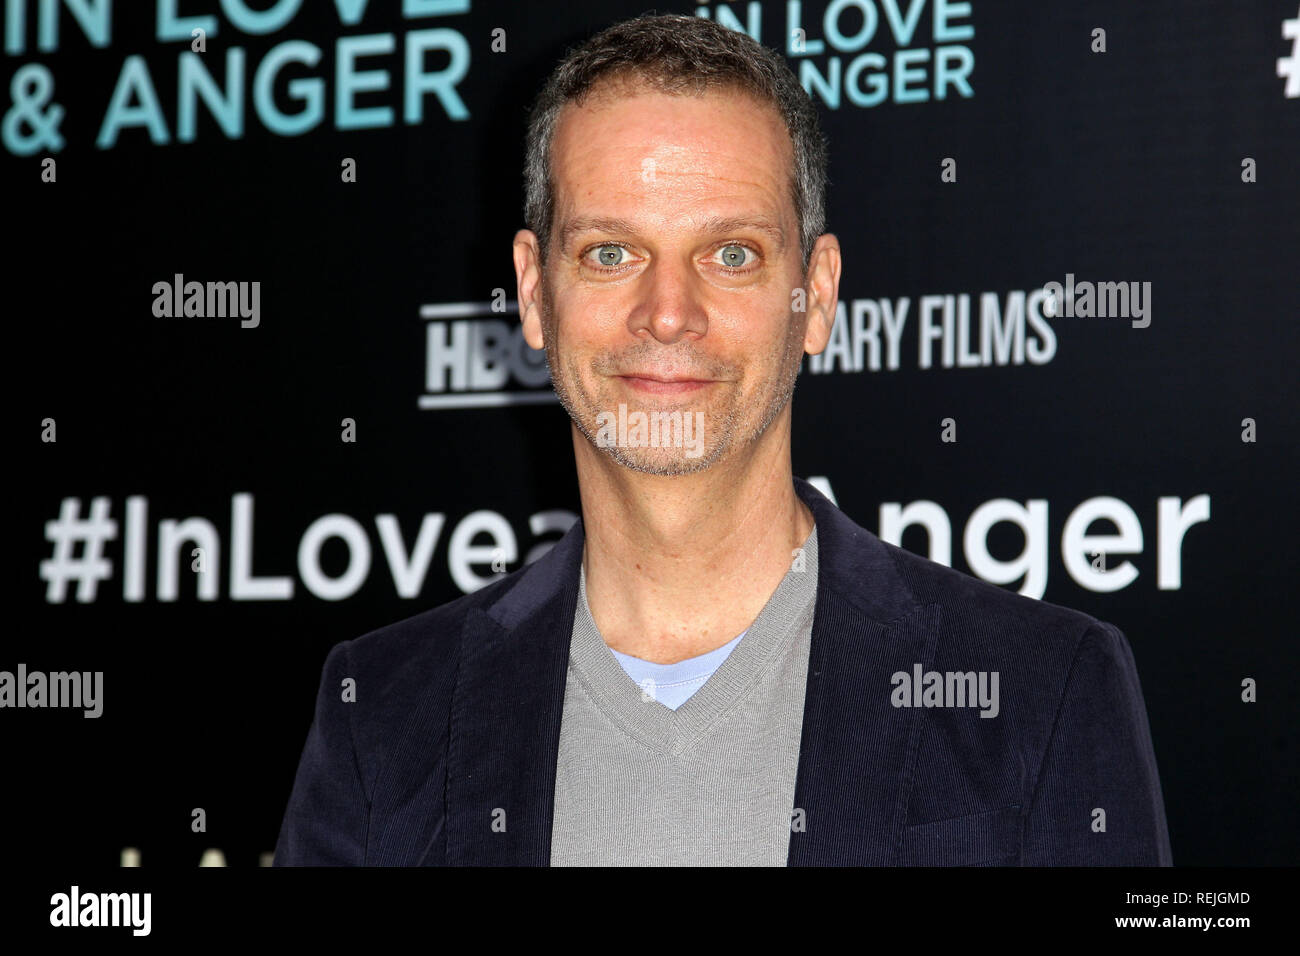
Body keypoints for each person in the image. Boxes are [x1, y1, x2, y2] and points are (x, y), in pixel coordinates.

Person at [274, 13, 1171, 866]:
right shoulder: (382, 714)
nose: (668, 313)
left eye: (731, 254)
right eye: (610, 253)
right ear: (534, 292)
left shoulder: (1043, 691)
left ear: (815, 297)